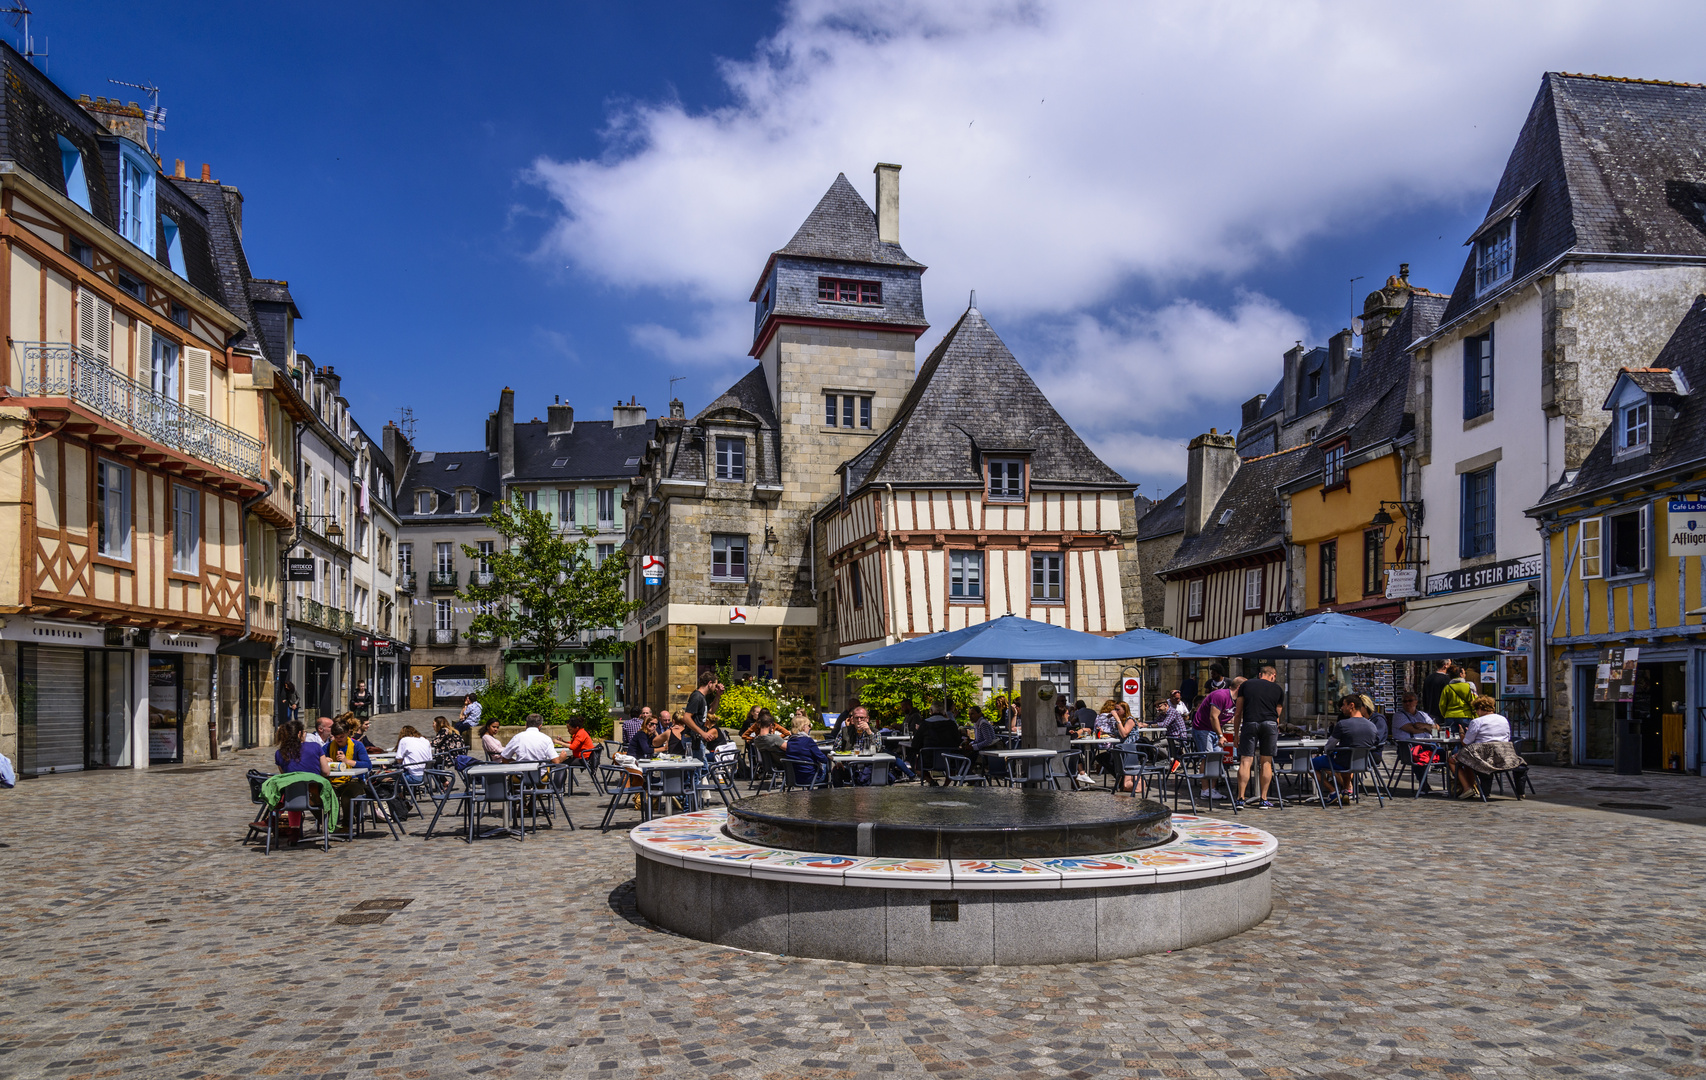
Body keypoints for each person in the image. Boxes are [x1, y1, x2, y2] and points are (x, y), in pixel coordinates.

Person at [1450, 695, 1523, 798]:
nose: (1476, 712)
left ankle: (1467, 788)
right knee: (1467, 760)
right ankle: (1472, 786)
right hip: (1503, 757)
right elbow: (1506, 738)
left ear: (1480, 708)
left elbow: (1466, 743)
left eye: (1476, 709)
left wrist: (1462, 733)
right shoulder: (1503, 719)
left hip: (1483, 759)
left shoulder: (1477, 722)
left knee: (1453, 759)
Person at [1312, 695, 1380, 804]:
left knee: (1310, 764)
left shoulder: (1343, 724)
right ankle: (1346, 790)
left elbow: (1329, 746)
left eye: (1344, 705)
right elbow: (1374, 743)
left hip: (1342, 762)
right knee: (1345, 757)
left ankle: (1333, 791)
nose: (1341, 708)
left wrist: (1329, 751)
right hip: (1362, 763)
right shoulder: (1372, 726)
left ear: (1351, 706)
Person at [1233, 667, 1284, 808]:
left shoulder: (1246, 685)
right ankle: (1263, 799)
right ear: (1273, 676)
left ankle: (1240, 799)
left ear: (1260, 674)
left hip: (1250, 722)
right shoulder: (1278, 689)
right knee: (1266, 762)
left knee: (1245, 761)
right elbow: (1277, 716)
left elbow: (1238, 713)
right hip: (1270, 723)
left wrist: (1236, 735)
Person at [1390, 692, 1441, 792]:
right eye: (1405, 701)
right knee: (1420, 757)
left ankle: (1455, 786)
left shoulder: (1422, 715)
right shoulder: (1399, 716)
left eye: (1410, 701)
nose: (1407, 703)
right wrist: (1428, 728)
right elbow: (1411, 729)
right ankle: (1424, 784)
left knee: (1448, 756)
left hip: (1429, 745)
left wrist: (1425, 725)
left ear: (1416, 702)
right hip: (1409, 748)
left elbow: (1437, 728)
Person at [915, 702, 964, 785]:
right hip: (948, 759)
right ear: (944, 712)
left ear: (931, 711)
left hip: (928, 760)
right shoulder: (951, 724)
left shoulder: (925, 724)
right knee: (953, 765)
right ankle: (945, 785)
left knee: (918, 767)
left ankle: (931, 782)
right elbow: (957, 741)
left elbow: (916, 743)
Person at [681, 669, 719, 761]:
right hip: (692, 739)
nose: (715, 688)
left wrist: (718, 695)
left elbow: (711, 711)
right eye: (715, 685)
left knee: (703, 769)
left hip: (697, 739)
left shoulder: (702, 698)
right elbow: (686, 717)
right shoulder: (697, 697)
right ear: (709, 683)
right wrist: (702, 733)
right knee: (698, 769)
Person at [785, 713, 832, 786]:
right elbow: (823, 759)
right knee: (826, 766)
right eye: (809, 726)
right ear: (803, 727)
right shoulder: (808, 741)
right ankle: (823, 795)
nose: (810, 728)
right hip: (810, 777)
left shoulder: (790, 741)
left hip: (794, 778)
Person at [504, 713, 569, 764]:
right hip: (540, 777)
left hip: (520, 776)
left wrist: (518, 763)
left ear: (526, 725)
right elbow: (556, 761)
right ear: (540, 726)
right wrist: (561, 758)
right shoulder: (546, 739)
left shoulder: (517, 737)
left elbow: (505, 758)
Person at [1438, 665, 1478, 732]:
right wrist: (1475, 716)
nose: (1465, 675)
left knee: (1451, 738)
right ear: (1460, 674)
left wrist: (1446, 714)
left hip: (1450, 717)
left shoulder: (1447, 688)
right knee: (1465, 739)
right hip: (1465, 716)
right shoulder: (1469, 687)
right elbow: (1474, 703)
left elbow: (1442, 705)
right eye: (1464, 673)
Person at [1421, 659, 1454, 728]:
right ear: (1445, 665)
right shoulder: (1446, 680)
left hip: (1429, 712)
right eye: (1449, 664)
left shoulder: (1428, 678)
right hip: (1440, 713)